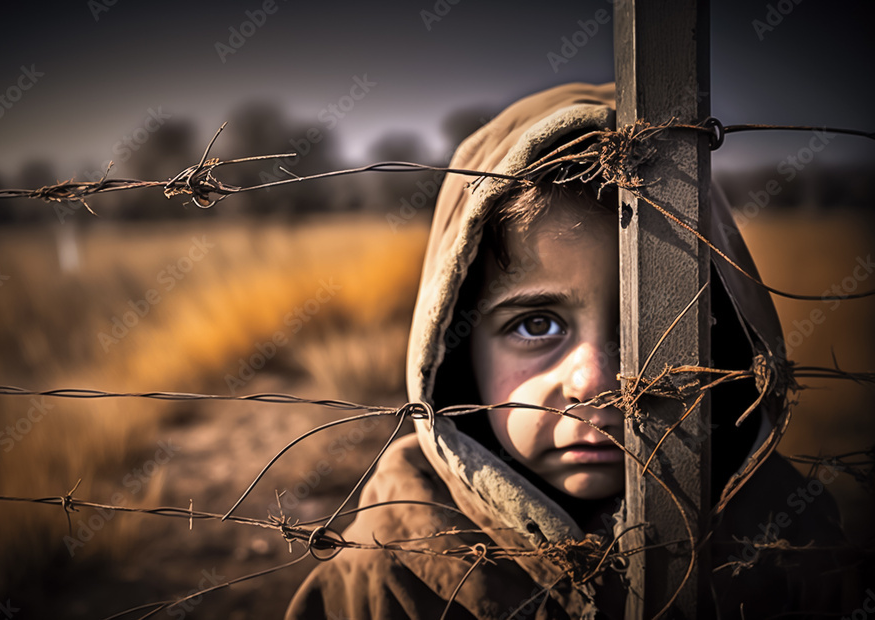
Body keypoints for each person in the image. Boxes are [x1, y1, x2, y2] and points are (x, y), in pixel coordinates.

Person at [285, 82, 850, 619]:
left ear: (723, 337)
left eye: (647, 323)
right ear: (454, 356)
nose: (595, 380)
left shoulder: (793, 540)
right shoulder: (386, 577)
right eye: (535, 324)